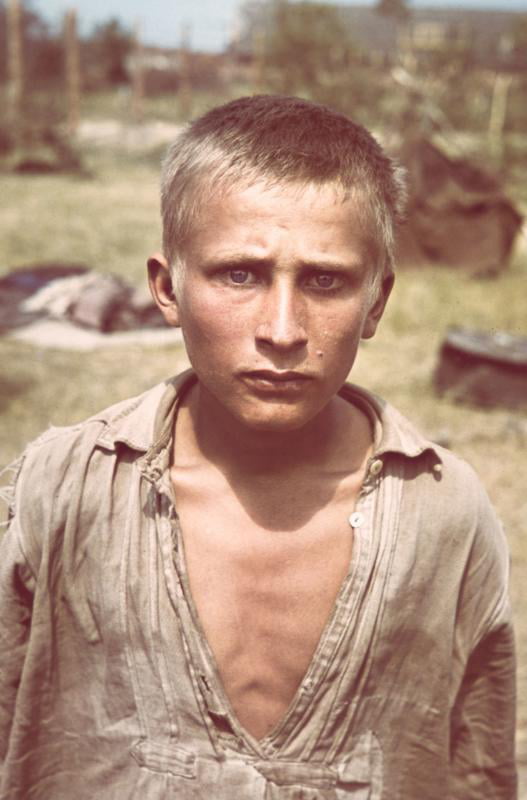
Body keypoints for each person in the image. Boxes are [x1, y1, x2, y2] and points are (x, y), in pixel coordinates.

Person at [0, 95, 516, 799]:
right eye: (239, 274)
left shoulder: (443, 515)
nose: (281, 330)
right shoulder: (60, 493)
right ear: (167, 288)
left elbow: (477, 771)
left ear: (376, 302)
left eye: (325, 281)